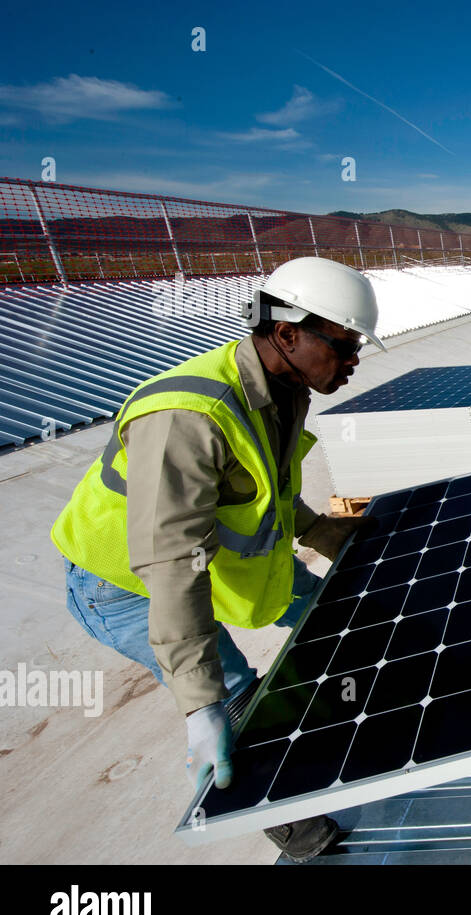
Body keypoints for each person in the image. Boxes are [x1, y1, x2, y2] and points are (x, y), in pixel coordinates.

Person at [52, 256, 384, 862]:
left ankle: (350, 708)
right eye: (344, 345)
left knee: (328, 610)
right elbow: (171, 564)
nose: (352, 361)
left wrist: (319, 533)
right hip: (124, 583)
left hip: (210, 561)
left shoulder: (285, 387)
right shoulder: (187, 417)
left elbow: (263, 489)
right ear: (287, 334)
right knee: (229, 692)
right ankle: (277, 813)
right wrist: (200, 704)